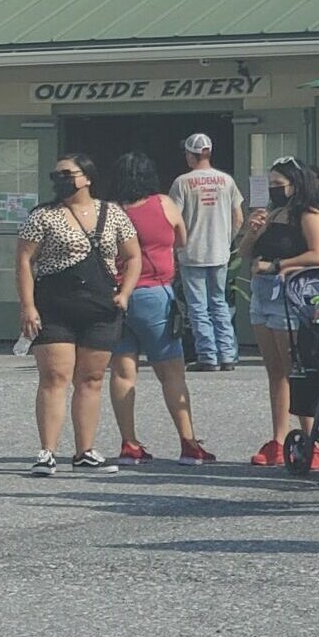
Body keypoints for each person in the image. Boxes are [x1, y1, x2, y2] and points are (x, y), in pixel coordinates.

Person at [15, 153, 143, 477]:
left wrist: (125, 293)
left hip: (100, 308)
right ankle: (47, 452)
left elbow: (133, 256)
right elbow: (24, 260)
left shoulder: (112, 213)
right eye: (56, 175)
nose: (61, 180)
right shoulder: (43, 216)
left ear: (87, 178)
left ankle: (84, 451)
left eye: (67, 174)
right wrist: (28, 306)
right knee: (54, 377)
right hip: (54, 307)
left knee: (91, 379)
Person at [103, 152, 214, 467]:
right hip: (154, 292)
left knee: (123, 372)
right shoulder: (163, 203)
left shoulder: (109, 211)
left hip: (116, 293)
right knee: (171, 373)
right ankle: (188, 443)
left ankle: (129, 443)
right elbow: (181, 239)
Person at [237, 157, 319, 467]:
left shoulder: (309, 213)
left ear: (295, 184)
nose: (273, 189)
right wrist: (252, 232)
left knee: (297, 368)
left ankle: (310, 438)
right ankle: (278, 438)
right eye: (270, 184)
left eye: (278, 184)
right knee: (275, 371)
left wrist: (279, 265)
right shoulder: (272, 212)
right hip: (262, 293)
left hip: (290, 291)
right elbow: (244, 253)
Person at [169, 134, 246, 371]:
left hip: (192, 252)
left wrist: (176, 248)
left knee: (198, 307)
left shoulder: (182, 182)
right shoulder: (226, 181)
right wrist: (226, 240)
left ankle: (207, 356)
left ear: (190, 155)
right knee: (219, 302)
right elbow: (238, 217)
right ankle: (227, 354)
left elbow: (173, 219)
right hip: (219, 252)